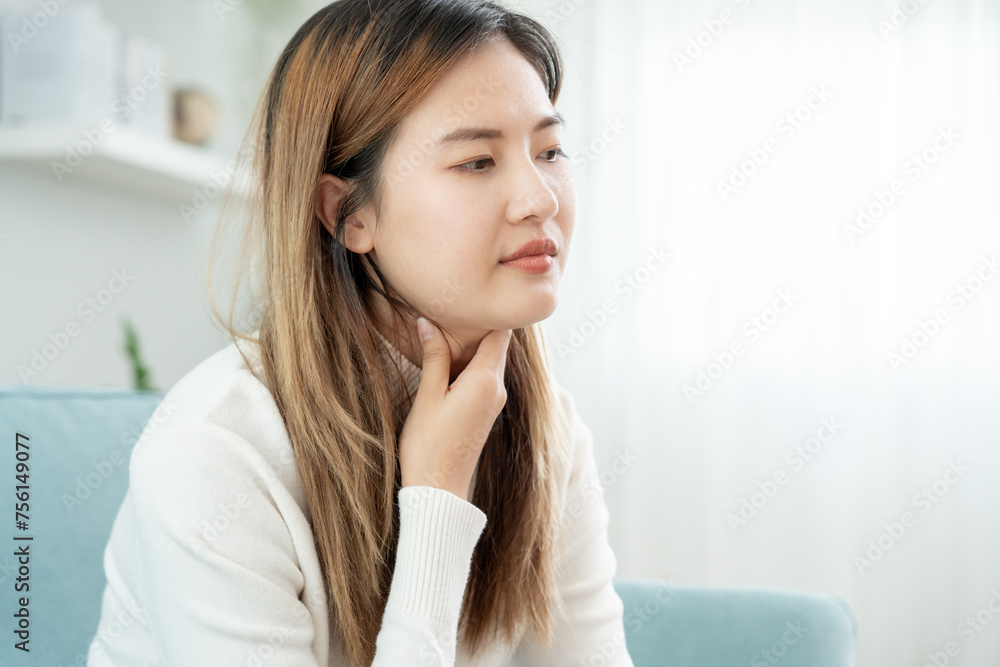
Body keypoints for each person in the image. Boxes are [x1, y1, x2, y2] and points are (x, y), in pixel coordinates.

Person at [87, 1, 634, 665]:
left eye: (549, 150)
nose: (541, 198)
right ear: (348, 214)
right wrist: (437, 495)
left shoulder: (548, 430)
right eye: (477, 162)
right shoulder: (212, 454)